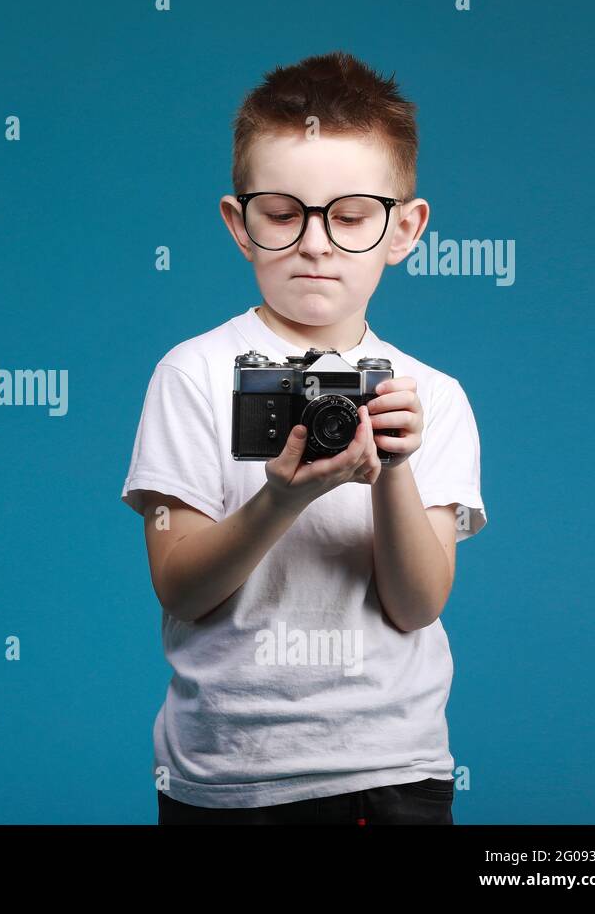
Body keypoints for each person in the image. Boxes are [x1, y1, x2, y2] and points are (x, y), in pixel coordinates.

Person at [120, 50, 487, 825]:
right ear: (239, 225)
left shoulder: (431, 397)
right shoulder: (194, 375)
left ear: (404, 229)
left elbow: (417, 605)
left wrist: (395, 468)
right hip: (226, 774)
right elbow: (182, 589)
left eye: (350, 217)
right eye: (284, 214)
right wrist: (280, 500)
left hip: (390, 769)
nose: (315, 244)